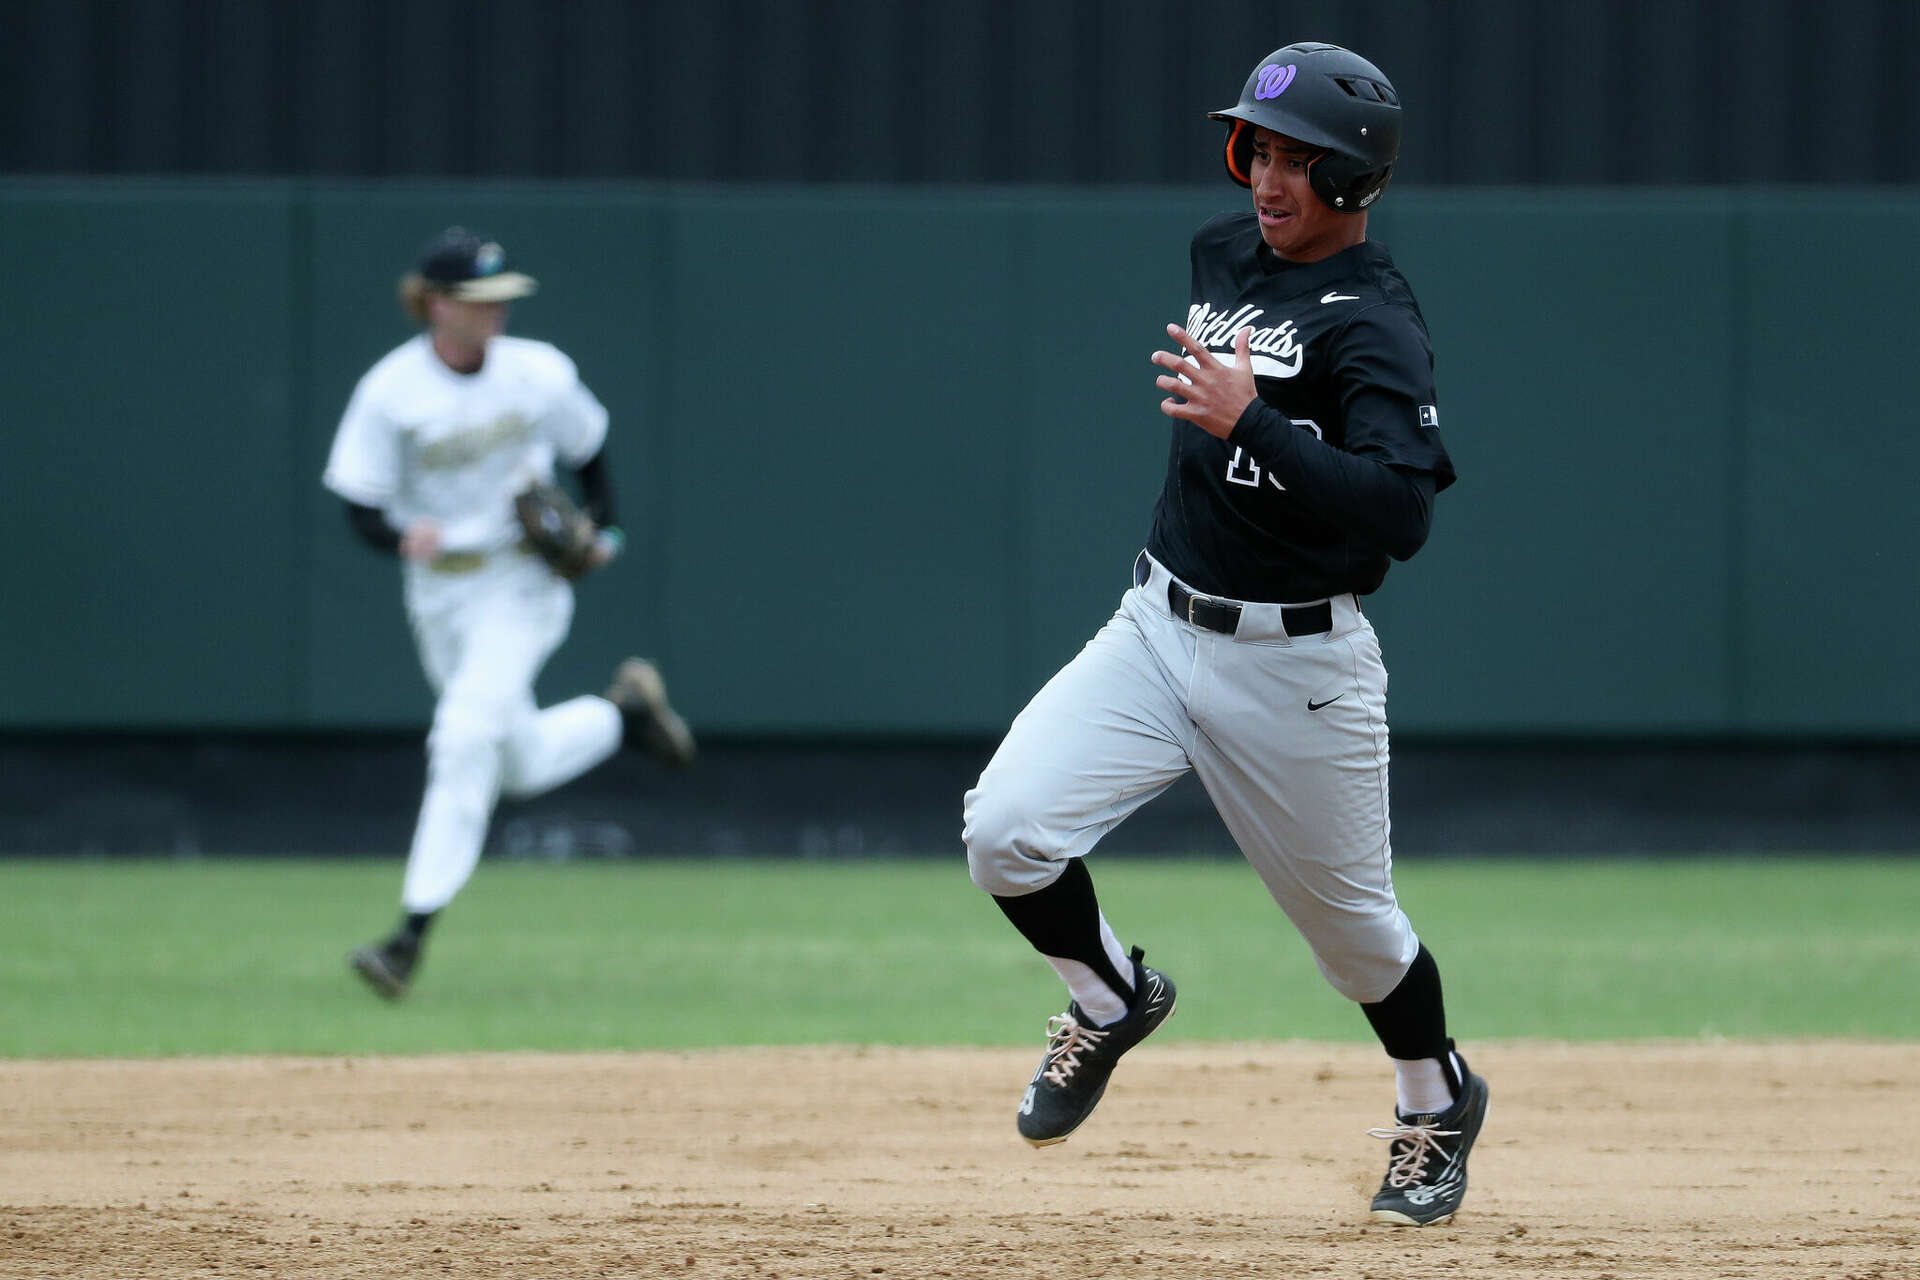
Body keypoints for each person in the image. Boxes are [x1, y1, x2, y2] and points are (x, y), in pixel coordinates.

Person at [962, 43, 1486, 1226]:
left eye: (1302, 159)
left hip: (1298, 664)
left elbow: (1402, 512)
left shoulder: (1377, 323)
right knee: (1004, 831)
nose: (1269, 178)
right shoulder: (1222, 250)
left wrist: (1255, 422)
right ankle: (1111, 998)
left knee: (1356, 941)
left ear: (1356, 180)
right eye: (1257, 148)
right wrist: (1247, 428)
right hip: (1158, 623)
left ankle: (1436, 1093)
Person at [323, 226, 694, 1000]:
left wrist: (606, 534)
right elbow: (359, 505)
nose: (496, 309)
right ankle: (622, 717)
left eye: (502, 296)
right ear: (434, 303)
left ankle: (408, 937)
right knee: (511, 762)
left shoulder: (536, 373)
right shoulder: (391, 393)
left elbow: (590, 452)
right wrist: (399, 537)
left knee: (463, 739)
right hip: (440, 593)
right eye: (478, 298)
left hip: (521, 582)